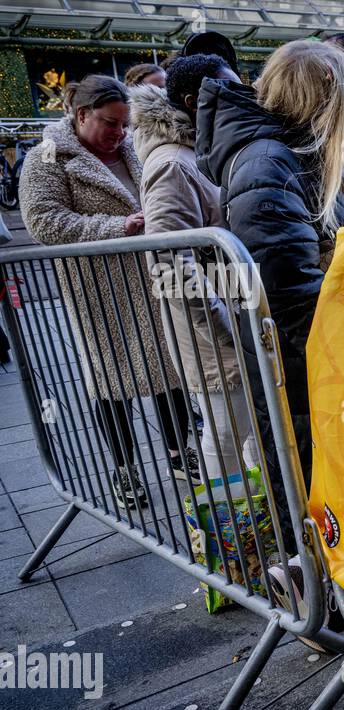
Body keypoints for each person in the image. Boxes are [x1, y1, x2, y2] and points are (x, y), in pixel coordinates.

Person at [196, 39, 344, 593]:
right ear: (327, 99)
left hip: (314, 359)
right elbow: (289, 293)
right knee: (308, 479)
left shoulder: (297, 149)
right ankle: (313, 594)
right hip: (299, 363)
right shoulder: (269, 163)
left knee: (323, 479)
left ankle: (324, 587)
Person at [20, 75, 198, 509]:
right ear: (81, 115)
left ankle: (179, 453)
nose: (119, 132)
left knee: (169, 370)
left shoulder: (132, 147)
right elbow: (43, 221)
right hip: (99, 290)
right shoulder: (47, 157)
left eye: (124, 123)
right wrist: (118, 227)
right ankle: (125, 469)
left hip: (150, 281)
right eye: (110, 122)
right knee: (111, 381)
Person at [131, 54, 255, 482]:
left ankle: (258, 534)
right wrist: (227, 329)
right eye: (230, 88)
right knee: (227, 440)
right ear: (193, 100)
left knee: (247, 438)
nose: (241, 96)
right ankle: (229, 540)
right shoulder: (172, 164)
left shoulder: (199, 153)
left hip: (233, 327)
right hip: (216, 343)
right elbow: (169, 264)